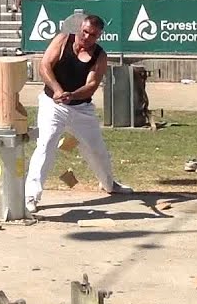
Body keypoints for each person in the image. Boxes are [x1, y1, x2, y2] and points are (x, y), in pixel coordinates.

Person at [25, 14, 132, 213]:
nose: (87, 37)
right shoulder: (62, 40)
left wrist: (72, 95)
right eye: (84, 32)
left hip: (81, 109)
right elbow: (44, 66)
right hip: (52, 105)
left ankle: (109, 184)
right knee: (46, 145)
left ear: (99, 36)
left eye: (92, 35)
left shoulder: (100, 55)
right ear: (79, 28)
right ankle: (31, 195)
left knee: (97, 150)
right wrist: (57, 90)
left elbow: (91, 85)